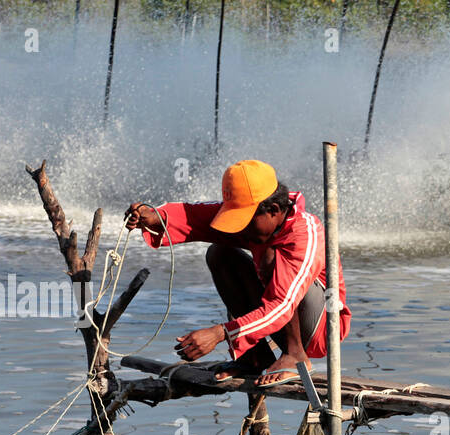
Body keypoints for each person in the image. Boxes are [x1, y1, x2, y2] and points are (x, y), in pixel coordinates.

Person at [124, 159, 350, 386]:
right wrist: (155, 216)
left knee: (271, 257)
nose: (241, 228)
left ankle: (295, 355)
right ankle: (254, 357)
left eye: (246, 221)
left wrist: (220, 333)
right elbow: (193, 216)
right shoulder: (261, 221)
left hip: (321, 331)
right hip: (279, 316)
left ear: (273, 210)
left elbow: (281, 305)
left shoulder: (305, 233)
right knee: (219, 253)